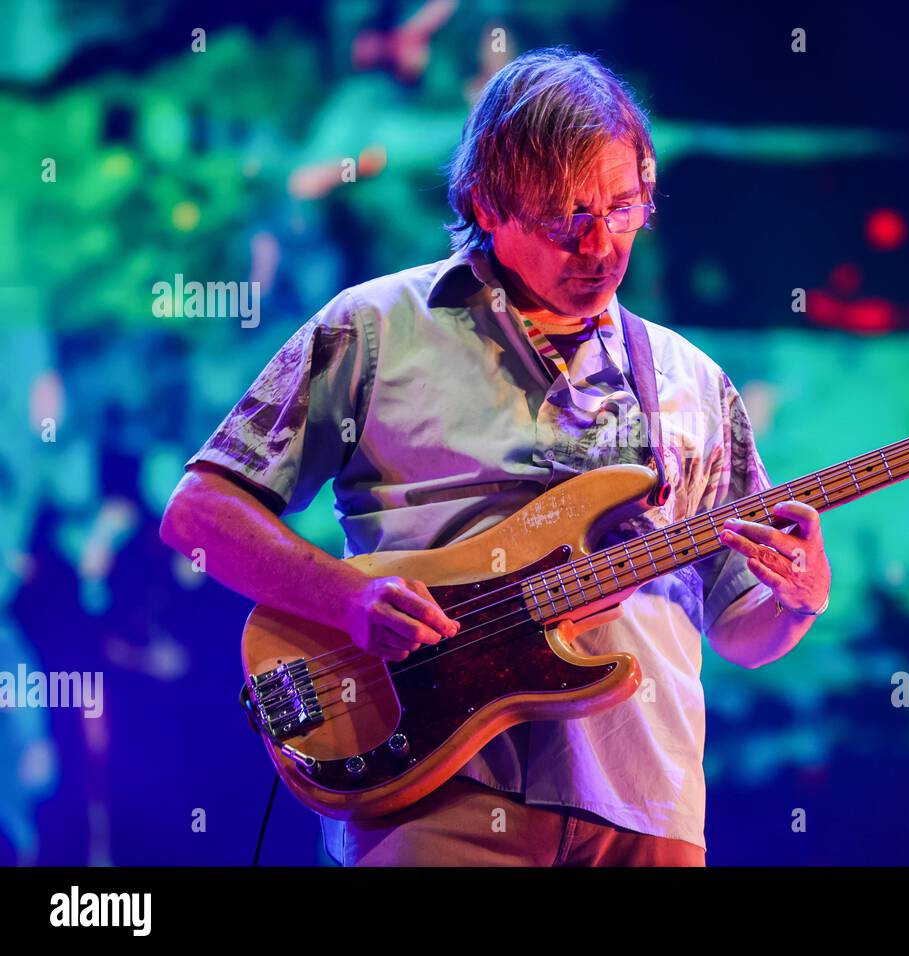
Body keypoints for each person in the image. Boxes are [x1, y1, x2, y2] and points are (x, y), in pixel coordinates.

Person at [160, 46, 831, 867]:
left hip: (648, 806)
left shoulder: (695, 382)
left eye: (624, 207)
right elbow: (200, 516)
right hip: (438, 794)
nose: (601, 246)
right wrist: (345, 600)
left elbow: (740, 630)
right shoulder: (373, 330)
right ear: (489, 201)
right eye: (565, 217)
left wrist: (796, 602)